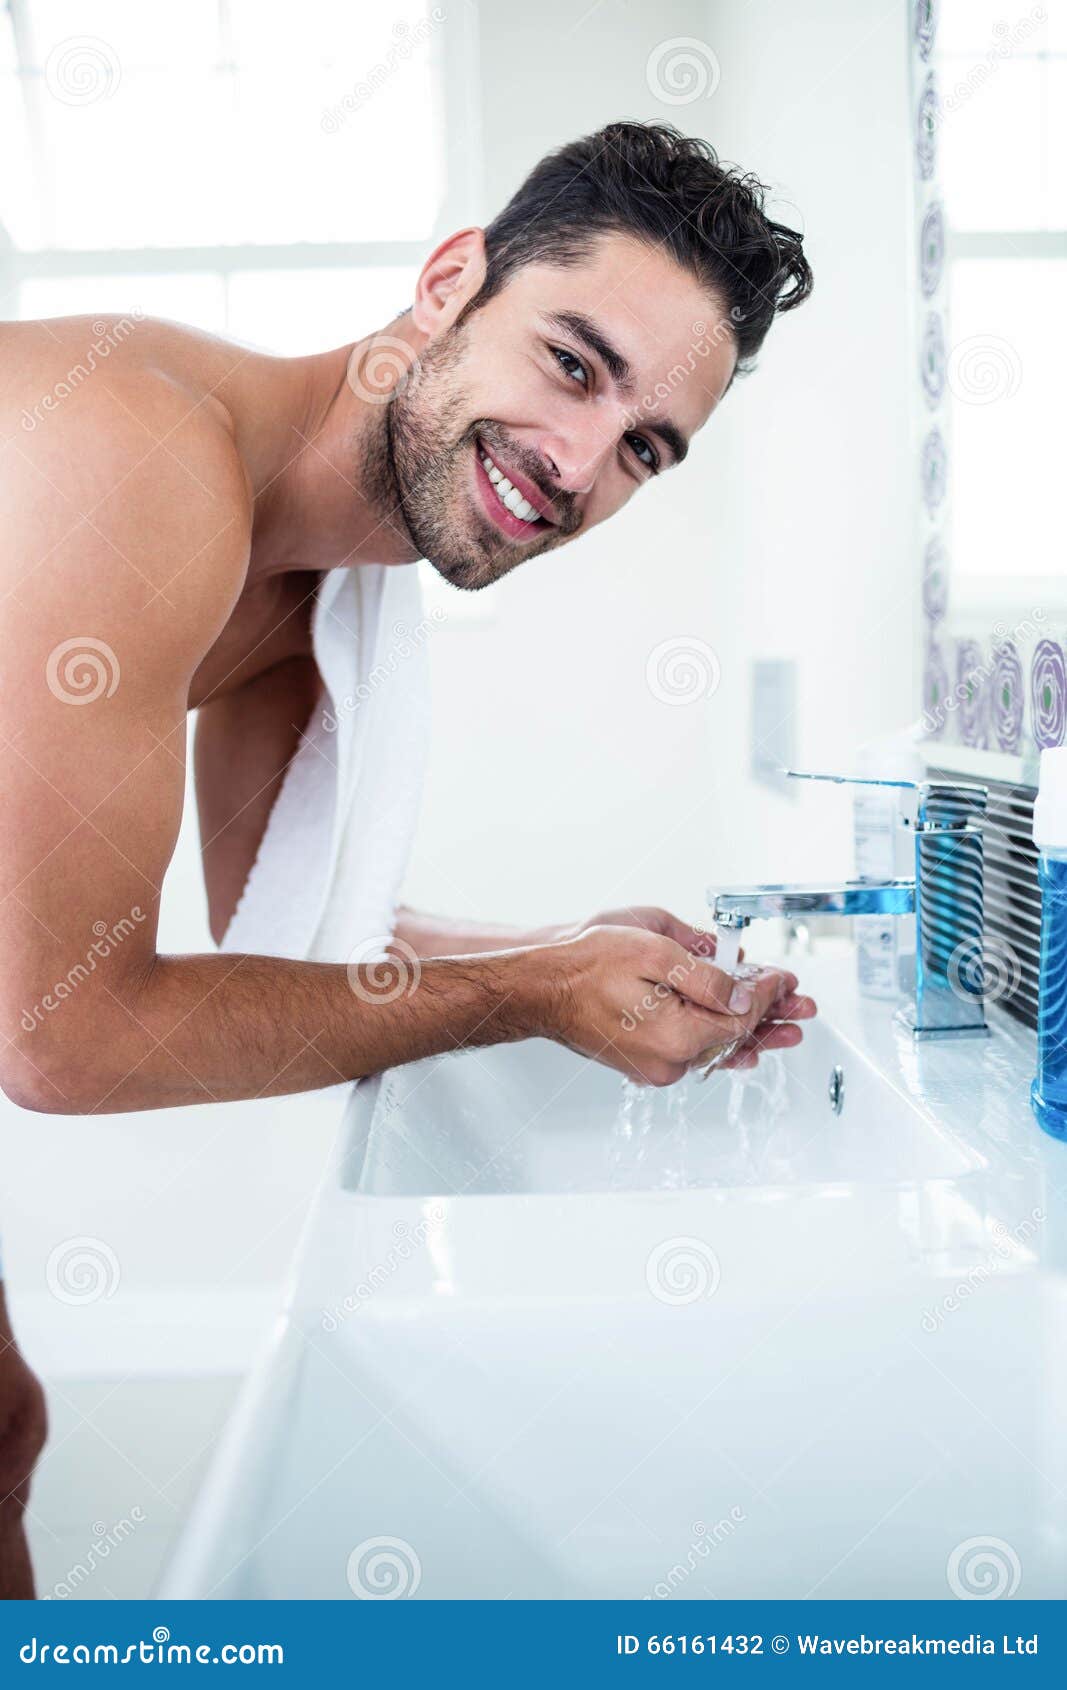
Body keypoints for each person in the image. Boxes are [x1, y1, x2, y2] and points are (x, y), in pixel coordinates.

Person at [0, 121, 815, 1595]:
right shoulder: (140, 456)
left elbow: (309, 933)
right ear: (450, 281)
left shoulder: (300, 587)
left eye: (644, 447)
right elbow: (67, 1039)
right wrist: (537, 993)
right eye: (573, 363)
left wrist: (569, 953)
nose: (577, 465)